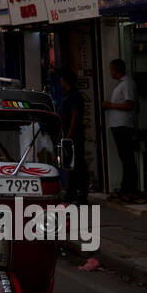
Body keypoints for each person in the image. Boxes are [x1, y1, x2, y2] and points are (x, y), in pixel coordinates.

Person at [102, 58, 140, 201]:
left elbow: (129, 104)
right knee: (124, 157)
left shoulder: (128, 84)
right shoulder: (121, 84)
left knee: (127, 157)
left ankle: (130, 188)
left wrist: (110, 105)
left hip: (123, 125)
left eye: (111, 69)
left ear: (116, 69)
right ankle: (126, 187)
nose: (110, 71)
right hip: (117, 125)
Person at [59, 69, 89, 205]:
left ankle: (82, 195)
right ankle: (71, 193)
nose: (60, 83)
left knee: (78, 165)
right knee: (71, 165)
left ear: (65, 81)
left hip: (74, 135)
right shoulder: (67, 95)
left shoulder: (74, 95)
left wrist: (69, 135)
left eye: (61, 80)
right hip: (68, 135)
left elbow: (75, 115)